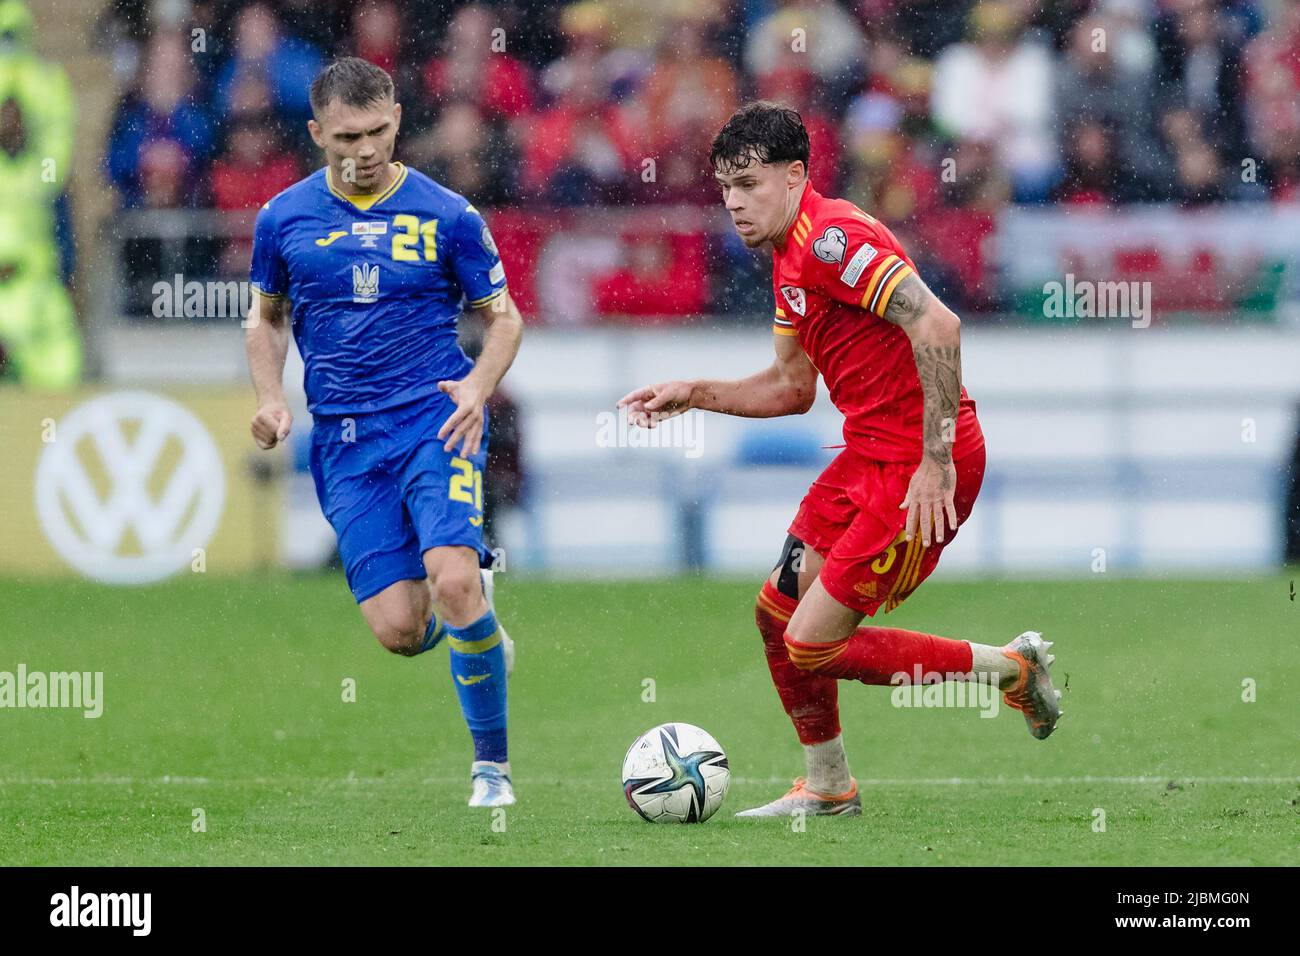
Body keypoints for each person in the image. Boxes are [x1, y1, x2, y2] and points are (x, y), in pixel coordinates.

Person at [618, 103, 1062, 818]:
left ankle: (1010, 670)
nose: (734, 202)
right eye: (724, 187)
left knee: (813, 646)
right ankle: (827, 788)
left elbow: (938, 323)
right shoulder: (788, 258)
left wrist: (935, 458)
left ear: (795, 176)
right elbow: (793, 389)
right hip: (866, 455)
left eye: (750, 183)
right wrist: (694, 392)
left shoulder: (830, 242)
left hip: (919, 465)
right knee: (775, 616)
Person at [244, 57, 525, 808]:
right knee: (400, 629)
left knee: (455, 577)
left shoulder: (450, 215)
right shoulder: (282, 219)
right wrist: (272, 399)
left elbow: (504, 319)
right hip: (344, 442)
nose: (364, 150)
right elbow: (267, 320)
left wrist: (477, 384)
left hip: (437, 418)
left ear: (397, 119)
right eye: (345, 137)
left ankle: (491, 772)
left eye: (376, 132)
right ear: (316, 133)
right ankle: (479, 635)